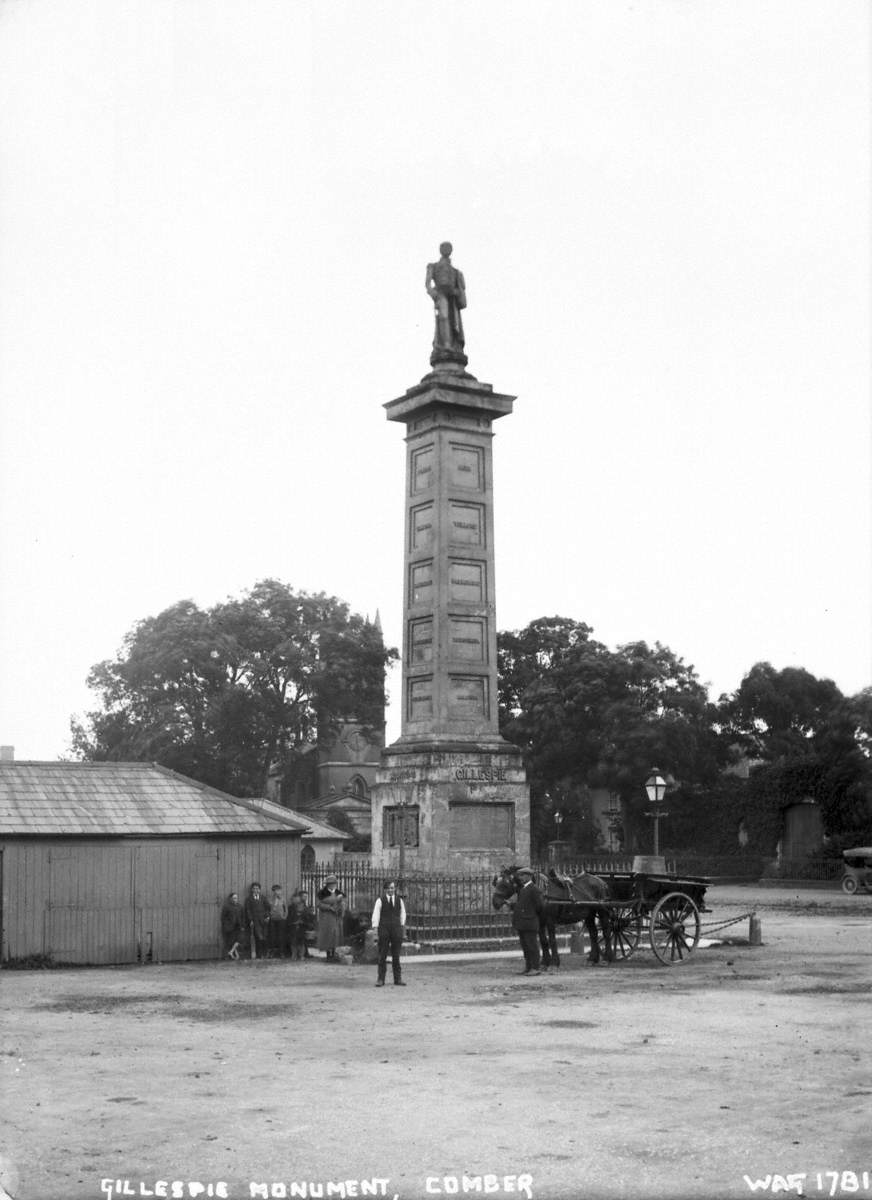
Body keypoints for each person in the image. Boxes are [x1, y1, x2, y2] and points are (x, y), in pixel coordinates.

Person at [425, 242, 466, 361]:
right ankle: (446, 345)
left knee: (453, 322)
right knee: (443, 317)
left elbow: (461, 289)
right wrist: (434, 294)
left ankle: (452, 345)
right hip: (441, 294)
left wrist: (457, 292)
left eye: (448, 248)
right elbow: (428, 284)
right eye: (444, 248)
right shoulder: (433, 266)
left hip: (452, 296)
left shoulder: (456, 271)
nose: (446, 250)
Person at [371, 880, 406, 987]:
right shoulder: (380, 901)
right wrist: (375, 930)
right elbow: (376, 915)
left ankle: (398, 978)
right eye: (389, 888)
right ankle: (381, 979)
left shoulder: (399, 901)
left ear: (395, 889)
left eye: (393, 888)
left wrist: (402, 928)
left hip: (396, 929)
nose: (391, 890)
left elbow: (403, 914)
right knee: (382, 955)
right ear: (385, 889)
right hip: (384, 929)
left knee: (396, 955)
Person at [512, 867, 544, 976]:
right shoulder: (523, 889)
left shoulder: (534, 889)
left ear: (529, 876)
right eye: (520, 875)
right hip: (522, 923)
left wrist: (530, 914)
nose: (520, 878)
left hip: (530, 922)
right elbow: (522, 904)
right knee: (525, 946)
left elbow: (539, 906)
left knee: (532, 946)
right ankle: (528, 967)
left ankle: (535, 968)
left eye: (522, 875)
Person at [316, 875, 345, 962]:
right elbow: (319, 904)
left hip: (336, 917)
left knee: (336, 935)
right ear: (327, 885)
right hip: (326, 917)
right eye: (330, 884)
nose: (332, 885)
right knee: (328, 935)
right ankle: (328, 955)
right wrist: (329, 907)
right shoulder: (321, 893)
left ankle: (334, 953)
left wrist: (340, 907)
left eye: (334, 883)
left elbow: (342, 903)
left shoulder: (339, 893)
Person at [243, 881, 270, 960]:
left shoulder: (263, 898)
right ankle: (259, 954)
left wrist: (267, 916)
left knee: (265, 936)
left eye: (257, 888)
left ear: (259, 890)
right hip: (255, 921)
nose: (256, 890)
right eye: (254, 888)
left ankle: (265, 954)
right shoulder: (249, 899)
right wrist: (250, 920)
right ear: (252, 890)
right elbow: (248, 910)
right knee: (258, 937)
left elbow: (268, 908)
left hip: (264, 920)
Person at [220, 891, 244, 960]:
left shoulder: (240, 906)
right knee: (229, 941)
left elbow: (243, 917)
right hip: (230, 927)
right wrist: (226, 926)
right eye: (233, 898)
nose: (235, 899)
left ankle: (232, 952)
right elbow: (223, 918)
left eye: (236, 898)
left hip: (238, 927)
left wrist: (242, 925)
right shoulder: (227, 907)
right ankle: (228, 956)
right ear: (230, 899)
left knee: (240, 940)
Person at [286, 887, 309, 960]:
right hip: (293, 927)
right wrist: (293, 922)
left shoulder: (305, 908)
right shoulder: (290, 908)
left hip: (302, 926)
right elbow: (288, 917)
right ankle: (294, 955)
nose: (296, 900)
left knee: (301, 941)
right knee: (293, 941)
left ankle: (301, 955)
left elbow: (307, 917)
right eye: (294, 899)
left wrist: (303, 921)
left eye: (297, 899)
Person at [268, 884, 288, 958]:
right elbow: (269, 908)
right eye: (275, 891)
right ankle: (272, 952)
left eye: (278, 890)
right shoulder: (270, 899)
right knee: (272, 936)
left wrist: (284, 917)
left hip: (281, 920)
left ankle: (281, 952)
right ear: (273, 891)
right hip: (273, 920)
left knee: (281, 936)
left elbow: (286, 909)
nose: (277, 892)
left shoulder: (283, 899)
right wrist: (270, 916)